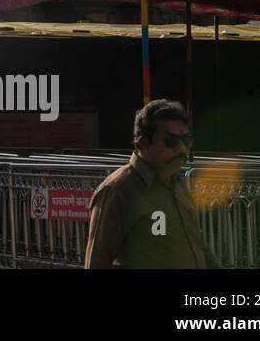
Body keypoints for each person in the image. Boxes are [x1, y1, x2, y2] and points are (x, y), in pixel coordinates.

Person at [85, 99, 220, 269]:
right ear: (143, 143)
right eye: (170, 141)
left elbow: (196, 242)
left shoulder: (177, 182)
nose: (182, 150)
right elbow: (98, 260)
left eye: (186, 140)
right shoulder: (118, 190)